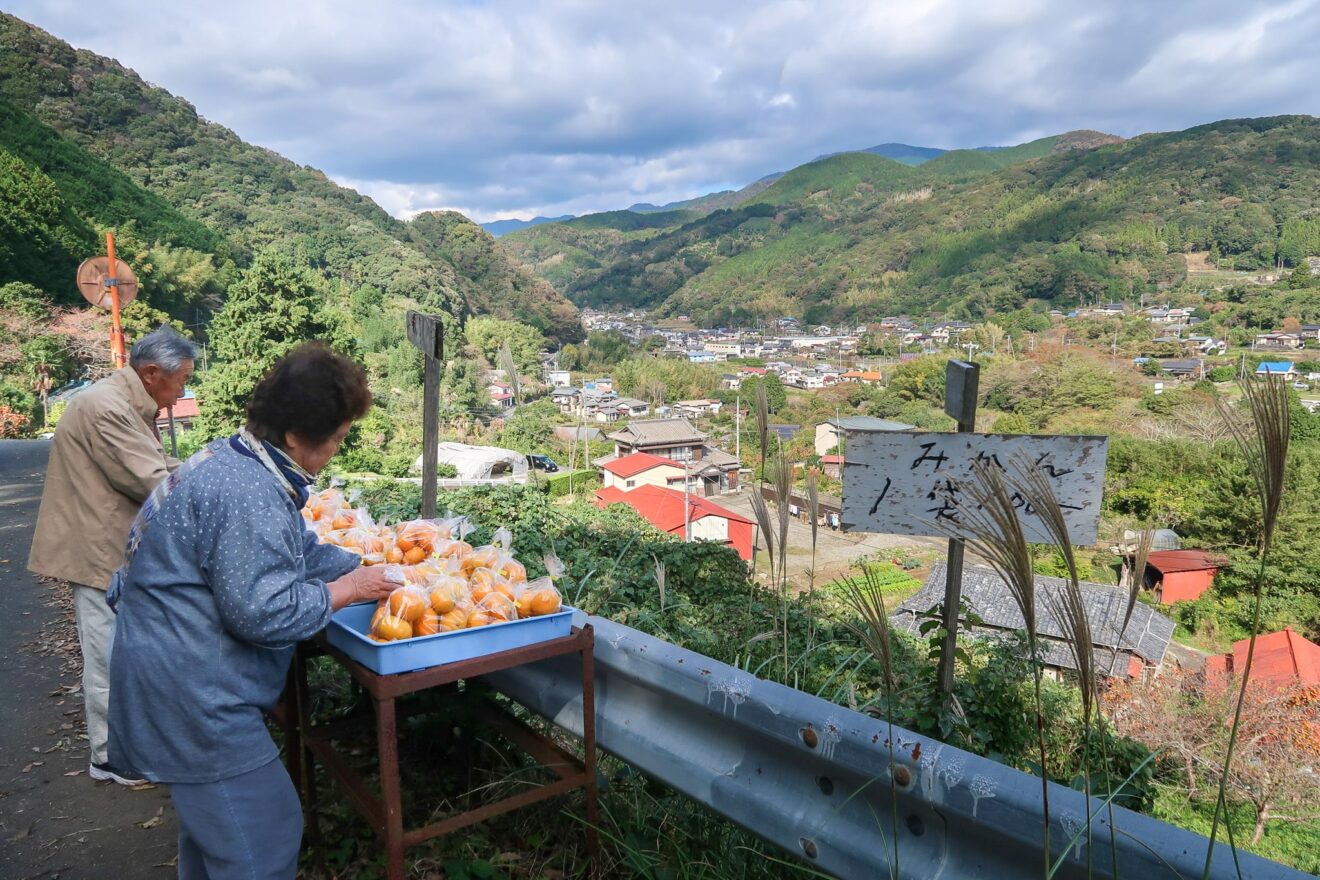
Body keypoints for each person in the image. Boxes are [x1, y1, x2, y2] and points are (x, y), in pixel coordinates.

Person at [106, 342, 397, 880]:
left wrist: (370, 567)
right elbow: (263, 613)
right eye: (335, 438)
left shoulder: (236, 458)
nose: (337, 449)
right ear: (296, 435)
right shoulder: (247, 492)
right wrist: (348, 590)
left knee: (217, 835)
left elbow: (294, 551)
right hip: (194, 691)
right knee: (262, 835)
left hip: (172, 669)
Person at [28, 325, 195, 786]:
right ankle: (109, 756)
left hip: (116, 543)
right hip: (99, 548)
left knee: (127, 651)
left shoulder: (125, 402)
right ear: (152, 372)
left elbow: (160, 467)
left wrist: (211, 468)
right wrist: (219, 486)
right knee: (108, 653)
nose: (182, 392)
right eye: (181, 380)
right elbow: (152, 480)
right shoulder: (106, 408)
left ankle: (134, 742)